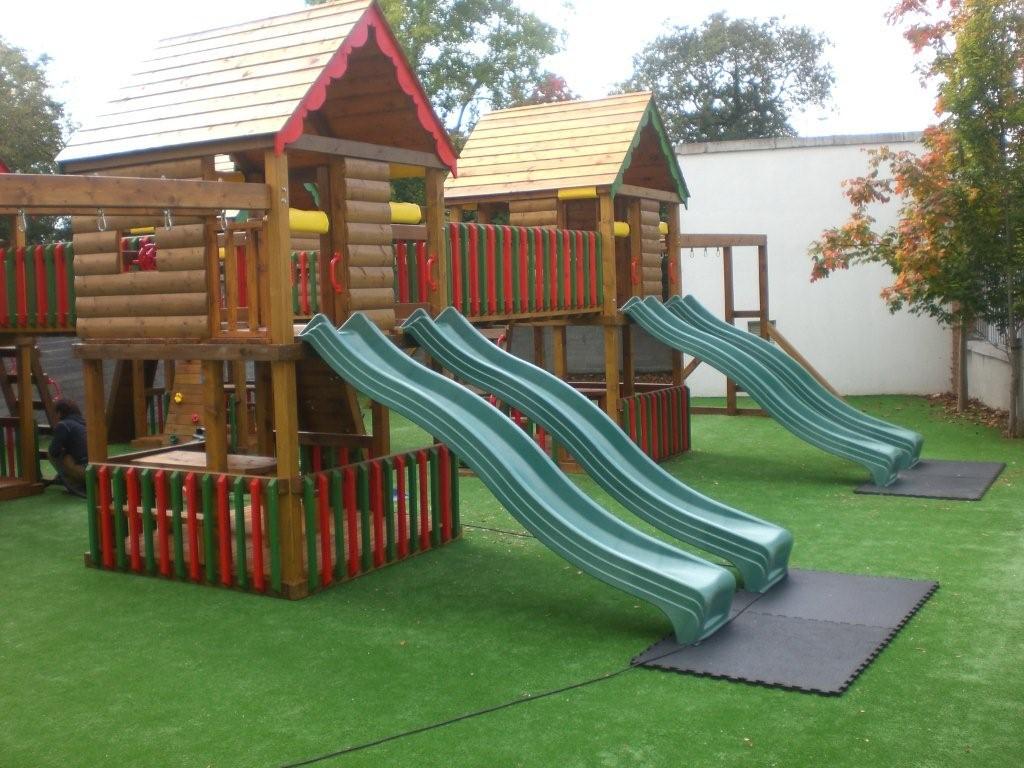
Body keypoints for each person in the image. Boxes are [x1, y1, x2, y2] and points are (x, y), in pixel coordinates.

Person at [48, 398, 88, 498]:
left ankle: (73, 484)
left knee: (53, 453)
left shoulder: (63, 425)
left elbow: (54, 451)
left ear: (60, 413)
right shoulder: (85, 423)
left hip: (84, 471)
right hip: (99, 469)